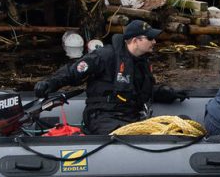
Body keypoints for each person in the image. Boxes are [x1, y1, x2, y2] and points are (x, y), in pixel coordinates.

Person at [34, 19, 181, 135]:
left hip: (130, 116)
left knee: (174, 129)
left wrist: (164, 93)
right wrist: (49, 83)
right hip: (103, 116)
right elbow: (73, 72)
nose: (154, 42)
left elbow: (142, 91)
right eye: (150, 38)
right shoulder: (106, 56)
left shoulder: (142, 63)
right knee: (124, 137)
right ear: (135, 40)